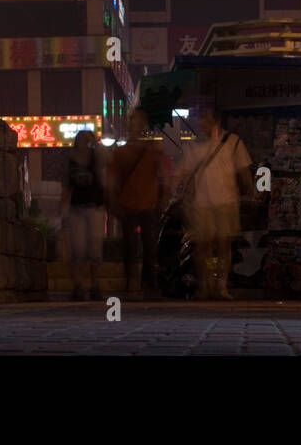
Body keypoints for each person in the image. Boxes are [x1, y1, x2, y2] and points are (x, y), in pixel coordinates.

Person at [179, 108, 252, 300]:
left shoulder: (233, 142)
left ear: (216, 121)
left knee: (223, 245)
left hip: (226, 201)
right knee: (202, 246)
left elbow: (244, 171)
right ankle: (205, 286)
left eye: (205, 119)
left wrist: (250, 191)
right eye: (200, 120)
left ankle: (221, 286)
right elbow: (183, 174)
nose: (201, 123)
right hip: (201, 203)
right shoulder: (193, 147)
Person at [109, 107, 172, 299]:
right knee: (130, 245)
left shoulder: (153, 149)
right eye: (134, 121)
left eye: (139, 121)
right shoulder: (122, 151)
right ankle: (132, 282)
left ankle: (147, 284)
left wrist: (163, 199)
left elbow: (164, 176)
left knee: (149, 247)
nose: (136, 125)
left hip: (148, 203)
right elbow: (112, 179)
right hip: (128, 203)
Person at [64, 129, 106, 301]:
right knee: (78, 249)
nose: (83, 142)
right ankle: (78, 285)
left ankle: (95, 285)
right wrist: (61, 209)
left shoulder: (98, 159)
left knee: (95, 248)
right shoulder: (71, 161)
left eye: (87, 139)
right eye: (80, 139)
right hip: (76, 208)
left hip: (94, 206)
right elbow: (66, 185)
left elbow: (105, 177)